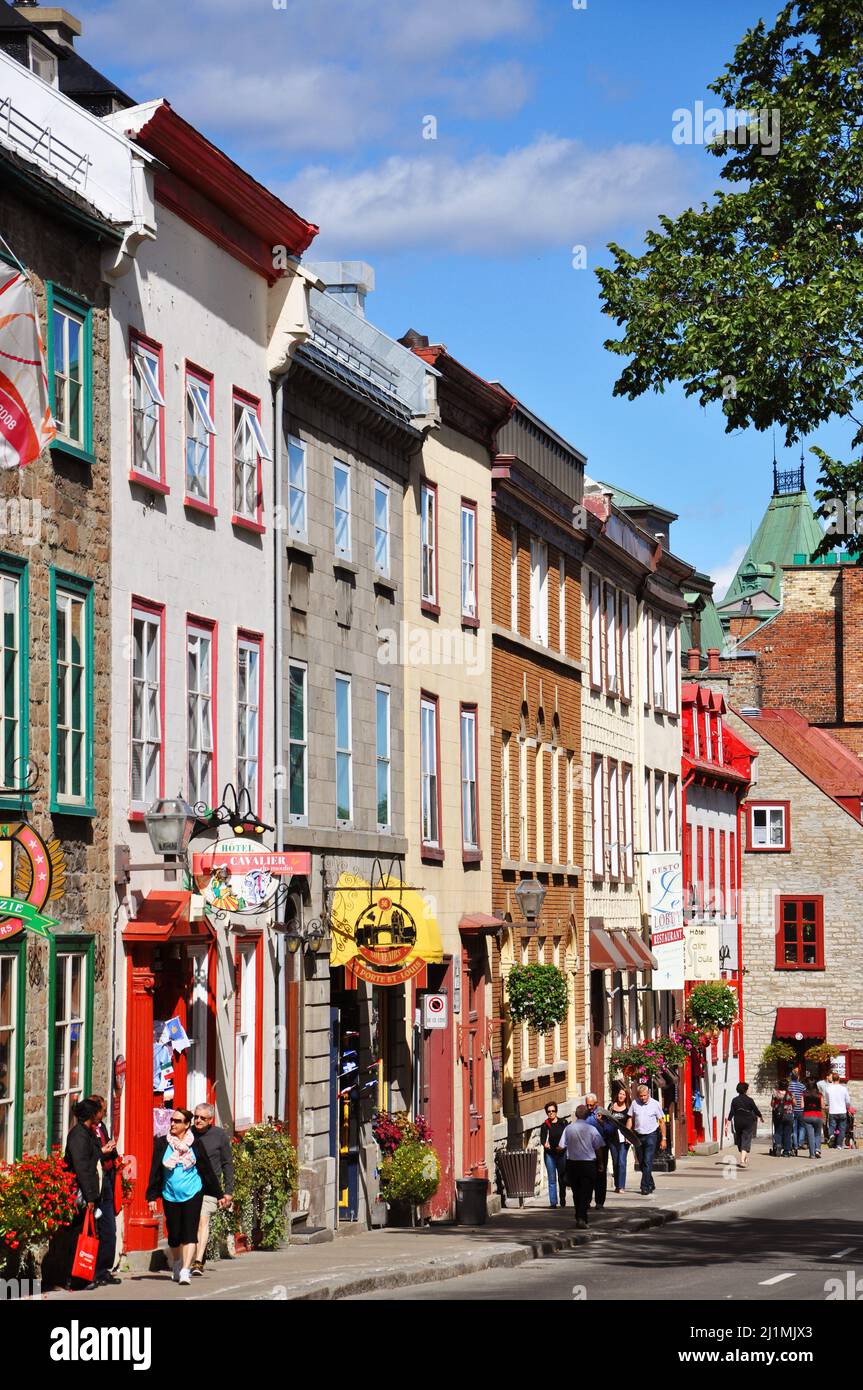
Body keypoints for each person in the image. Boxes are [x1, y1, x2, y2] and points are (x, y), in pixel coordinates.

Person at [146, 1108, 222, 1285]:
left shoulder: (195, 1144)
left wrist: (219, 1194)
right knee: (174, 1235)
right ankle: (177, 1263)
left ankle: (186, 1270)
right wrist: (151, 1196)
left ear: (186, 1125)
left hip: (193, 1192)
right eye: (172, 1120)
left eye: (177, 1121)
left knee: (189, 1233)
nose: (172, 1124)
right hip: (170, 1194)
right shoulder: (162, 1143)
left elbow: (206, 1170)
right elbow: (155, 1171)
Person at [63, 1098, 103, 1291]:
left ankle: (83, 1275)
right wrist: (90, 1197)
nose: (100, 1115)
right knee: (78, 1236)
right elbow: (82, 1168)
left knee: (86, 1234)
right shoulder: (78, 1136)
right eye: (98, 1112)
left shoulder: (87, 1133)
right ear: (91, 1115)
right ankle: (75, 1278)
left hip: (87, 1192)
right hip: (79, 1194)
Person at [191, 1103, 235, 1272]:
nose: (198, 1120)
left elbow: (227, 1164)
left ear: (210, 1120)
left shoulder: (219, 1136)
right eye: (196, 1117)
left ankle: (198, 1260)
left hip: (210, 1187)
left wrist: (228, 1191)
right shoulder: (188, 1134)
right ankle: (188, 1257)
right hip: (189, 1186)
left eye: (202, 1118)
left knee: (203, 1221)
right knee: (190, 1224)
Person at [87, 1093, 121, 1287]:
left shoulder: (102, 1127)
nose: (105, 1113)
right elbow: (88, 1156)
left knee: (109, 1228)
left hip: (107, 1179)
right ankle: (92, 1271)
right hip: (95, 1182)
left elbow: (106, 1149)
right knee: (95, 1229)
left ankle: (104, 1269)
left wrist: (111, 1149)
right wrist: (103, 1152)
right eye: (103, 1110)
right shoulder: (85, 1131)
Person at [559, 1104, 605, 1229]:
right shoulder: (592, 1129)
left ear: (575, 1115)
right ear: (586, 1115)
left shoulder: (568, 1129)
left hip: (573, 1163)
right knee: (587, 1191)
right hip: (588, 1164)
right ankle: (581, 1217)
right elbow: (599, 1148)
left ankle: (579, 1215)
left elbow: (561, 1145)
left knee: (576, 1191)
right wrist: (600, 1163)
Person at [626, 1083, 667, 1195]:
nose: (643, 1098)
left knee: (648, 1161)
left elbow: (662, 1122)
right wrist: (627, 1134)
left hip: (651, 1135)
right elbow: (630, 1119)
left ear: (648, 1094)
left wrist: (664, 1138)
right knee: (642, 1161)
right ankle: (651, 1183)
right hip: (638, 1136)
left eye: (645, 1095)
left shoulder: (655, 1104)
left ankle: (644, 1186)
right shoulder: (634, 1103)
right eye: (641, 1096)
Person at [584, 1093, 617, 1209]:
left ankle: (599, 1202)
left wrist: (601, 1122)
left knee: (600, 1174)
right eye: (587, 1105)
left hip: (601, 1148)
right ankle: (586, 1200)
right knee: (587, 1175)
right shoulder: (584, 1114)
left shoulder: (603, 1113)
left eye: (591, 1105)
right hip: (587, 1148)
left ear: (596, 1104)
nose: (589, 1107)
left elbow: (612, 1130)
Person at [724, 1081, 762, 1167]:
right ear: (745, 1090)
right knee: (746, 1139)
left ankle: (743, 1157)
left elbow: (732, 1112)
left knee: (740, 1140)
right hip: (748, 1122)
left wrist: (728, 1123)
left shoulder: (734, 1100)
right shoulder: (750, 1100)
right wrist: (760, 1116)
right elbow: (756, 1110)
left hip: (738, 1122)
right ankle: (742, 1161)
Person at [539, 1102, 567, 1209]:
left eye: (553, 1111)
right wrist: (544, 1144)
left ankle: (563, 1199)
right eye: (549, 1112)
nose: (551, 1113)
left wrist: (563, 1147)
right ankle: (553, 1202)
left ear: (556, 1111)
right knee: (552, 1179)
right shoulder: (545, 1125)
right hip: (550, 1155)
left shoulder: (563, 1123)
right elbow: (542, 1138)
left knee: (562, 1178)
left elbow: (567, 1136)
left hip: (561, 1154)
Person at [607, 1083, 631, 1192]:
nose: (621, 1096)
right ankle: (617, 1185)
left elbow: (631, 1122)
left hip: (623, 1138)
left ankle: (621, 1186)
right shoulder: (611, 1106)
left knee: (622, 1162)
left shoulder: (628, 1108)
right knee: (615, 1162)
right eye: (620, 1094)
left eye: (623, 1094)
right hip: (612, 1138)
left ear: (626, 1097)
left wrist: (629, 1135)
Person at [825, 1074, 853, 1149]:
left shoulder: (828, 1088)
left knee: (832, 1126)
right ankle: (839, 1145)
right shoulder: (844, 1089)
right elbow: (848, 1101)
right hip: (842, 1110)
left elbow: (827, 1100)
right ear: (839, 1079)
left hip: (833, 1110)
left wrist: (829, 1104)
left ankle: (831, 1135)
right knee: (842, 1129)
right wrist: (847, 1107)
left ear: (832, 1079)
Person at [801, 1079, 824, 1158]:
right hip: (818, 1115)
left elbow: (802, 1106)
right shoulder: (819, 1094)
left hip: (807, 1116)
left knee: (810, 1136)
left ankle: (812, 1154)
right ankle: (817, 1149)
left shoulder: (804, 1094)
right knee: (817, 1134)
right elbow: (823, 1106)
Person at [771, 1084, 795, 1156]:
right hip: (788, 1115)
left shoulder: (775, 1093)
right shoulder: (790, 1094)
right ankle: (786, 1151)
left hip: (778, 1115)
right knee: (787, 1133)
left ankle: (778, 1144)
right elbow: (795, 1103)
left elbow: (772, 1104)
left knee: (778, 1131)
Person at [786, 1065, 806, 1154]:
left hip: (792, 1109)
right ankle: (800, 1142)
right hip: (800, 1109)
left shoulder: (788, 1086)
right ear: (798, 1077)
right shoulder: (802, 1086)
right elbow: (804, 1096)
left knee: (793, 1127)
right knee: (802, 1126)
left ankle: (795, 1144)